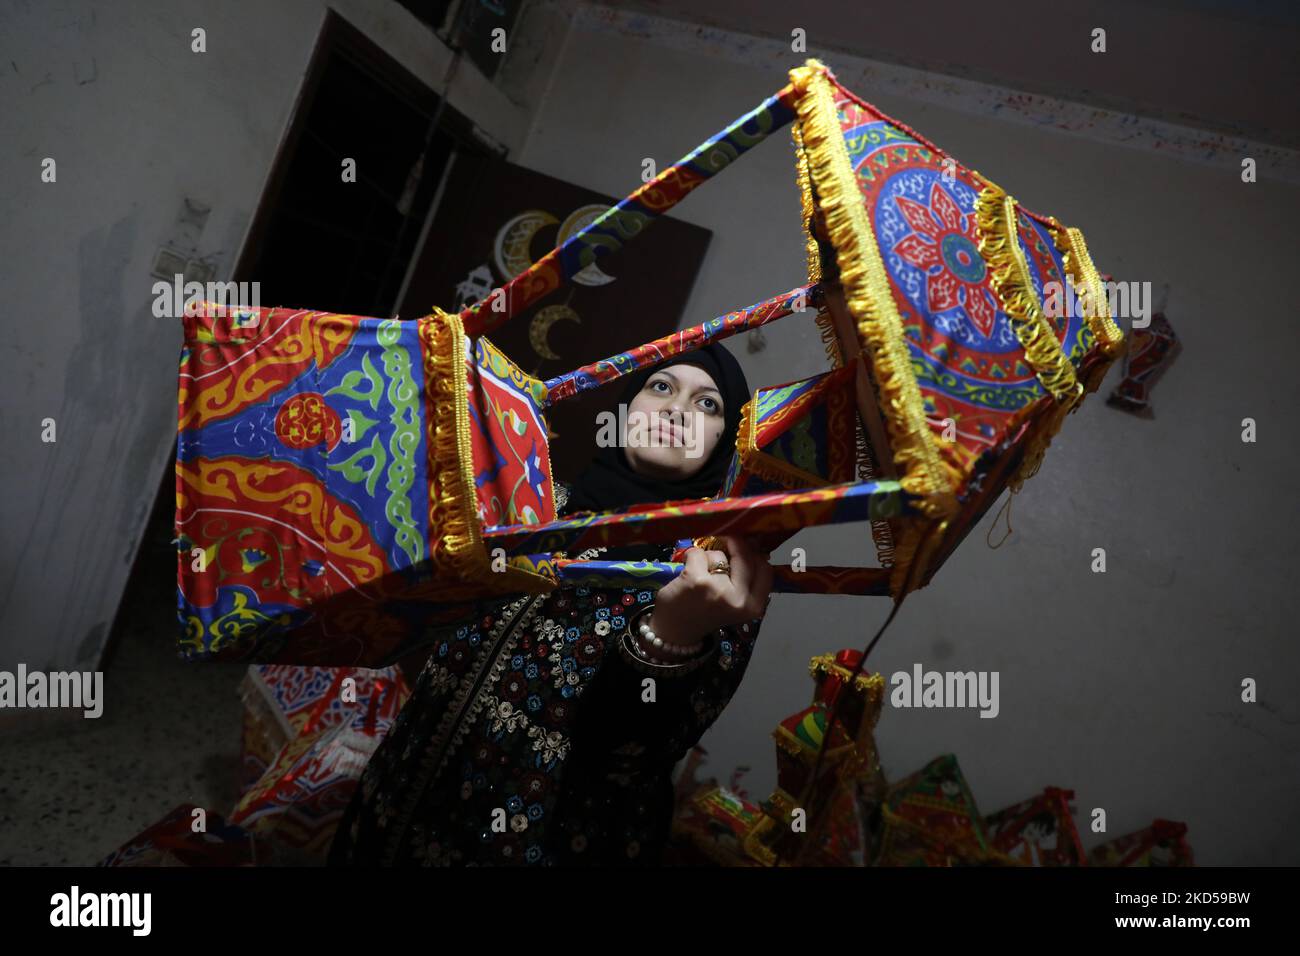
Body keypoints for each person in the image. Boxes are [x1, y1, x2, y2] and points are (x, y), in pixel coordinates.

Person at [328, 341, 774, 866]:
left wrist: (670, 633)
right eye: (661, 387)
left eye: (708, 405)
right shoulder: (529, 509)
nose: (676, 409)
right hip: (392, 803)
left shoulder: (716, 574)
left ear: (727, 444)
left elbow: (625, 759)